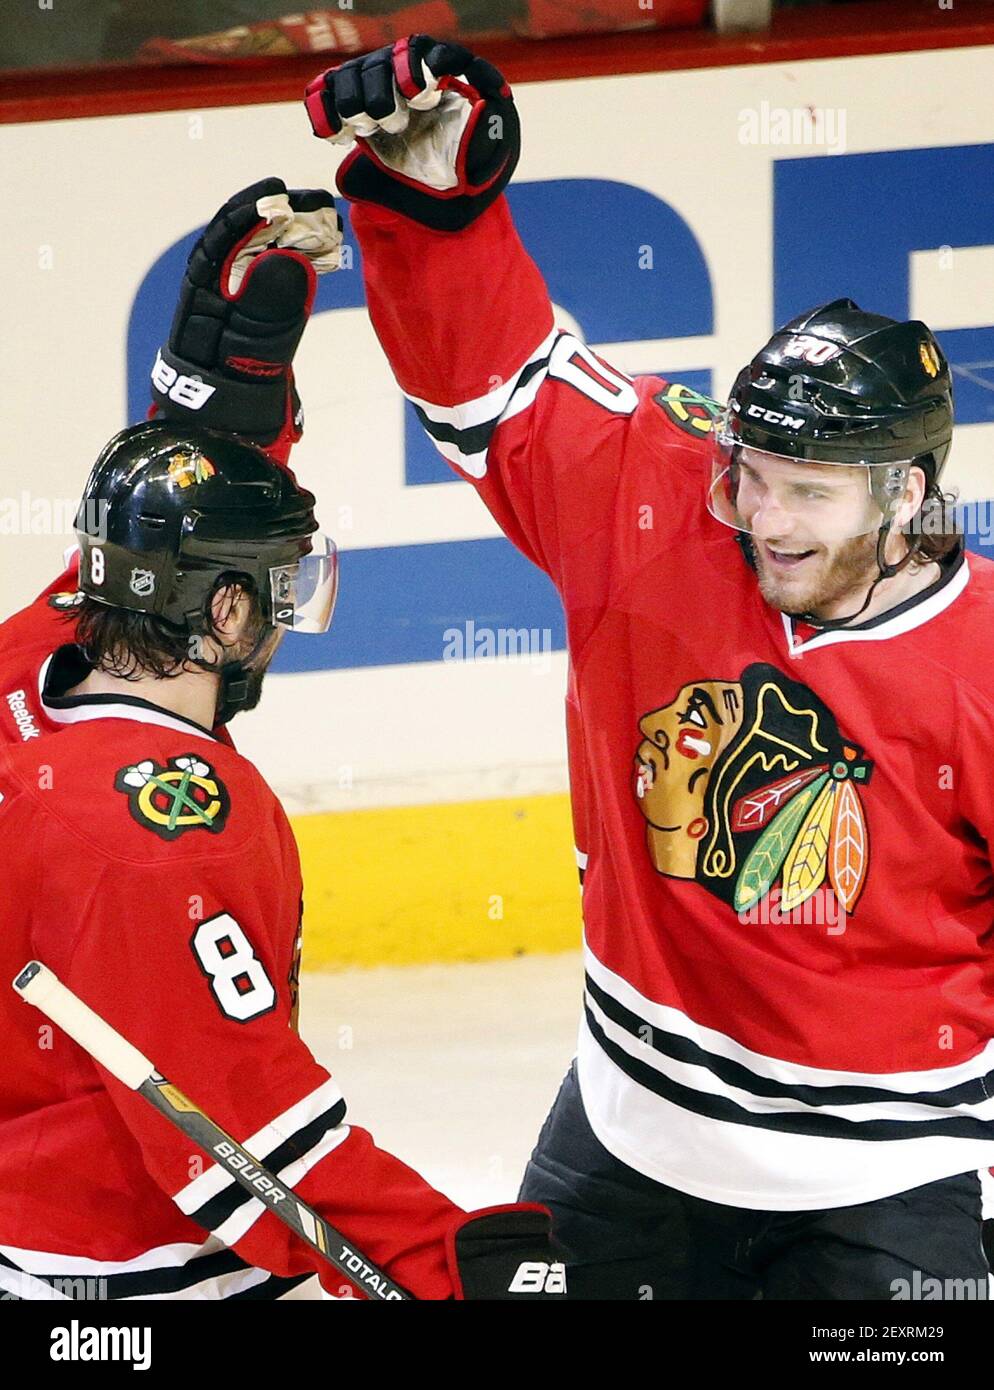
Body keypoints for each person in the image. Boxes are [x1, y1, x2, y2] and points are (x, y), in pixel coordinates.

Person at [304, 36, 994, 1299]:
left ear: (906, 494)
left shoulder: (984, 665)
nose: (765, 519)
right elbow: (495, 387)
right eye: (752, 475)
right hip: (627, 1143)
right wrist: (432, 204)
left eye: (809, 492)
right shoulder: (665, 512)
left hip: (882, 1184)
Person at [0, 179, 562, 1301]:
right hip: (136, 1274)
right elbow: (251, 1136)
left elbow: (136, 555)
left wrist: (217, 398)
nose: (288, 615)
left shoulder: (27, 677)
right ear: (221, 617)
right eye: (279, 588)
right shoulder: (172, 837)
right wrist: (449, 1266)